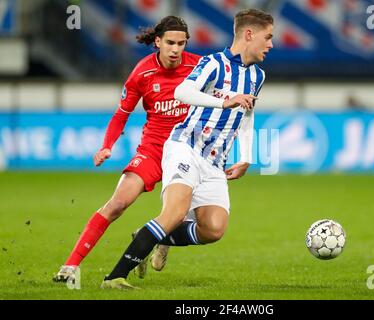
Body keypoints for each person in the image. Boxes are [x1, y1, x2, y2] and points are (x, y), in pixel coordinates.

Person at [101, 8, 274, 289]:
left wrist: (246, 156)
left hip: (215, 161)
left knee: (213, 229)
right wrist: (223, 101)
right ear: (249, 34)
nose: (271, 44)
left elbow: (247, 112)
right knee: (174, 213)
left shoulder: (257, 76)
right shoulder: (213, 63)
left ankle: (148, 237)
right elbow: (182, 92)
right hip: (186, 147)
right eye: (268, 37)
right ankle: (115, 277)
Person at [53, 16, 202, 282]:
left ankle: (160, 236)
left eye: (181, 43)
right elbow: (121, 114)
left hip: (189, 150)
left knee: (188, 213)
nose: (175, 49)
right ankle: (70, 266)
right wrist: (106, 146)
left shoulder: (199, 66)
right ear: (157, 42)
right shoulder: (142, 72)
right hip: (154, 149)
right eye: (170, 42)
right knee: (118, 203)